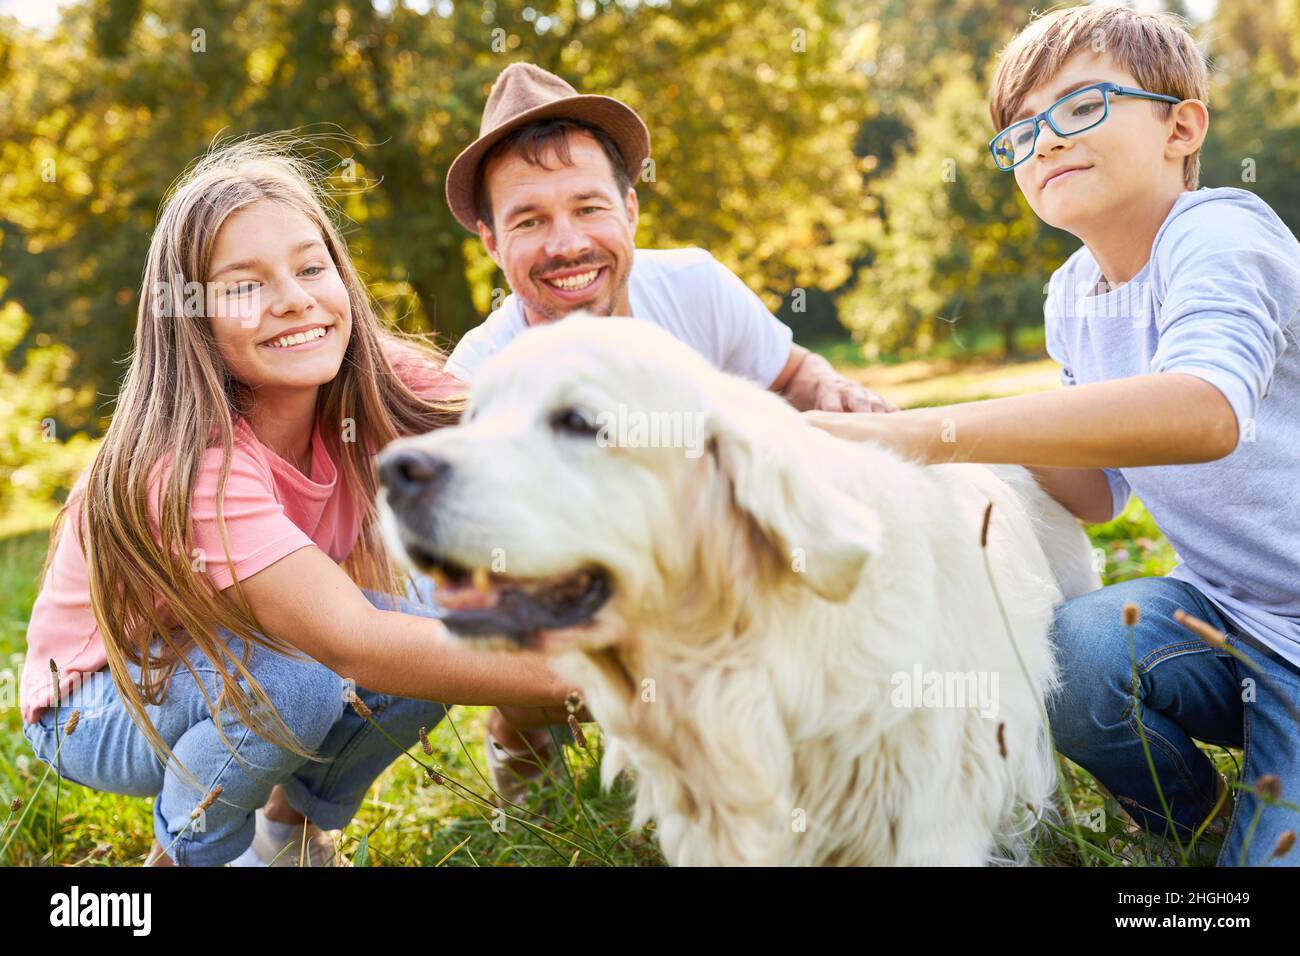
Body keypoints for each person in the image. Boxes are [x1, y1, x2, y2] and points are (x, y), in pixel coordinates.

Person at [806, 5, 1300, 866]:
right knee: (1076, 656)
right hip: (1231, 621)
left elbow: (1204, 411)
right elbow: (1097, 494)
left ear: (1181, 126)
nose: (1045, 142)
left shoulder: (1220, 233)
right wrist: (915, 435)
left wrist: (940, 432)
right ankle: (1199, 819)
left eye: (1080, 108)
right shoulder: (1072, 291)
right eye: (1021, 132)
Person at [18, 135, 577, 866]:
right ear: (191, 319)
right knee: (310, 676)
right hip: (92, 706)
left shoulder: (376, 381)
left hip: (240, 658)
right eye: (245, 285)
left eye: (312, 267)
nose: (295, 299)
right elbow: (353, 642)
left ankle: (291, 837)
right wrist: (589, 668)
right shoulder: (192, 462)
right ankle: (185, 856)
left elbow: (523, 451)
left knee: (439, 637)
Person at [441, 62, 899, 793]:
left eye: (588, 208)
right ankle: (524, 767)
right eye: (529, 221)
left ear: (629, 208)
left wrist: (834, 389)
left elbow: (793, 374)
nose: (565, 244)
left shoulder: (693, 285)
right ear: (492, 244)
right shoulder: (479, 376)